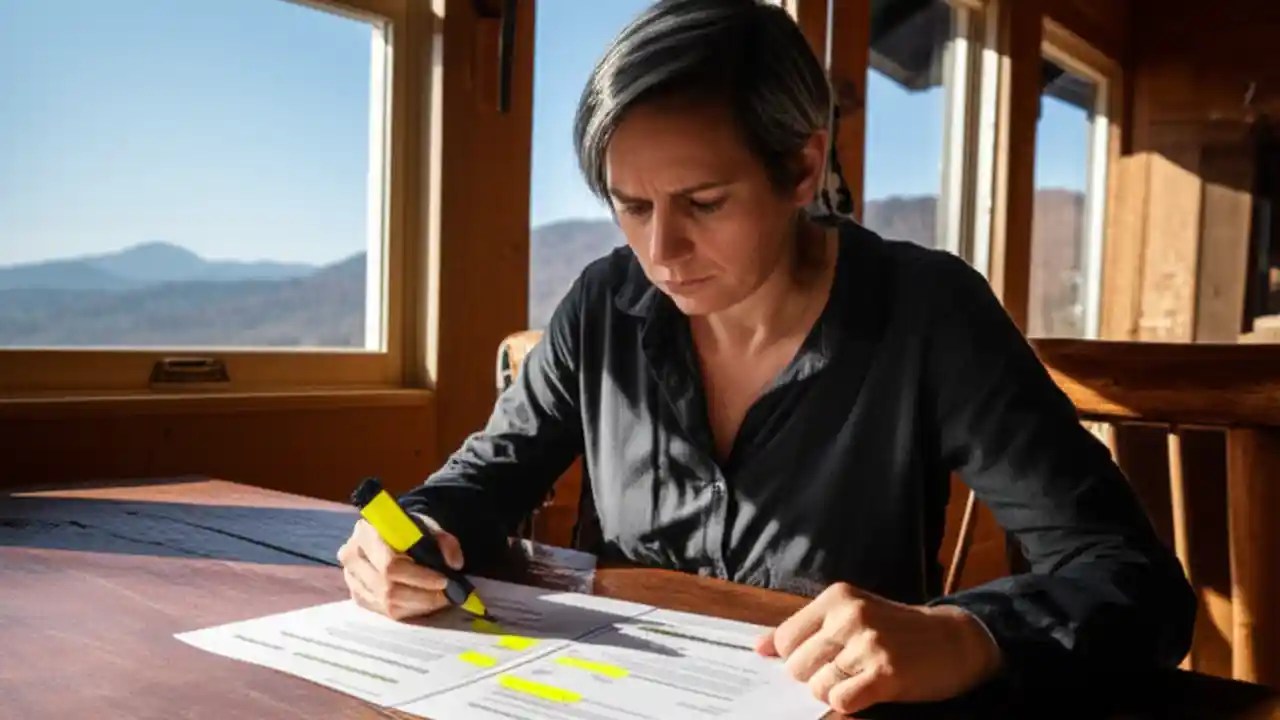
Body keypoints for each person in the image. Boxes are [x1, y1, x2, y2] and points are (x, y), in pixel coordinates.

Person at [337, 0, 1195, 714]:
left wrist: (966, 636)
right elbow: (482, 483)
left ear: (801, 168)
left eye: (703, 203)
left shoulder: (927, 313)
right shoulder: (606, 304)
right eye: (630, 206)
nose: (660, 250)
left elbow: (1134, 584)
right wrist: (410, 537)